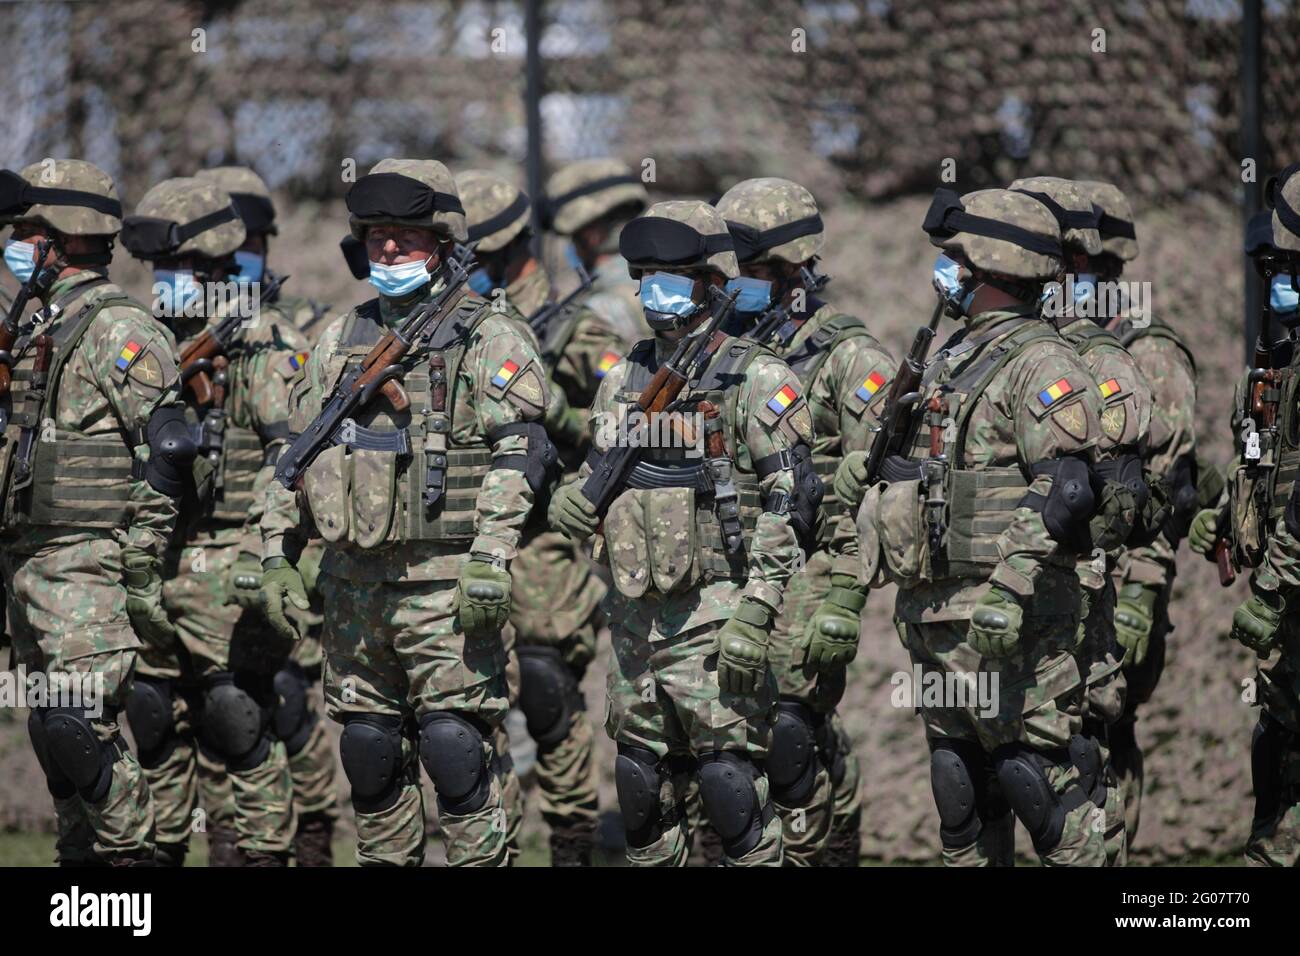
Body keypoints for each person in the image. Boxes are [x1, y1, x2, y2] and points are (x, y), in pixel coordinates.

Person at [260, 158, 552, 866]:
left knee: (456, 752)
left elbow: (523, 452)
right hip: (355, 591)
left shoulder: (489, 336)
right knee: (371, 754)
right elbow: (295, 453)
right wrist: (274, 551)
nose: (388, 249)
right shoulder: (340, 337)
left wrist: (491, 557)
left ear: (445, 245)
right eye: (378, 236)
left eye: (407, 237)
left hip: (447, 588)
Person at [837, 188, 1108, 866]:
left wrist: (1010, 591)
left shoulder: (1042, 363)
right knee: (961, 789)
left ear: (991, 262)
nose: (946, 272)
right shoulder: (950, 358)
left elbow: (1065, 489)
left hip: (1012, 619)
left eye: (957, 258)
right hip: (935, 616)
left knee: (1038, 783)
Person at [549, 199, 813, 866]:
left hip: (718, 617)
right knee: (642, 791)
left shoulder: (756, 378)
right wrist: (570, 503)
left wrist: (757, 612)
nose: (657, 291)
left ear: (714, 283)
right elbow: (600, 474)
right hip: (635, 624)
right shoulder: (622, 380)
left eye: (677, 275)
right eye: (647, 275)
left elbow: (792, 501)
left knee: (732, 793)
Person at [0, 159, 186, 865]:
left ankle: (134, 876)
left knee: (84, 732)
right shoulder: (34, 325)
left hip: (85, 561)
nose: (16, 246)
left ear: (64, 237)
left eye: (27, 232)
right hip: (27, 562)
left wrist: (140, 555)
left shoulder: (118, 329)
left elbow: (169, 450)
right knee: (54, 736)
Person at [715, 176, 892, 865]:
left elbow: (877, 484)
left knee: (791, 734)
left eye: (753, 272)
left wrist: (847, 592)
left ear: (796, 270)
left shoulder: (849, 357)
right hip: (731, 571)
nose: (738, 285)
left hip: (810, 573)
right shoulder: (718, 355)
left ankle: (828, 850)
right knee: (723, 747)